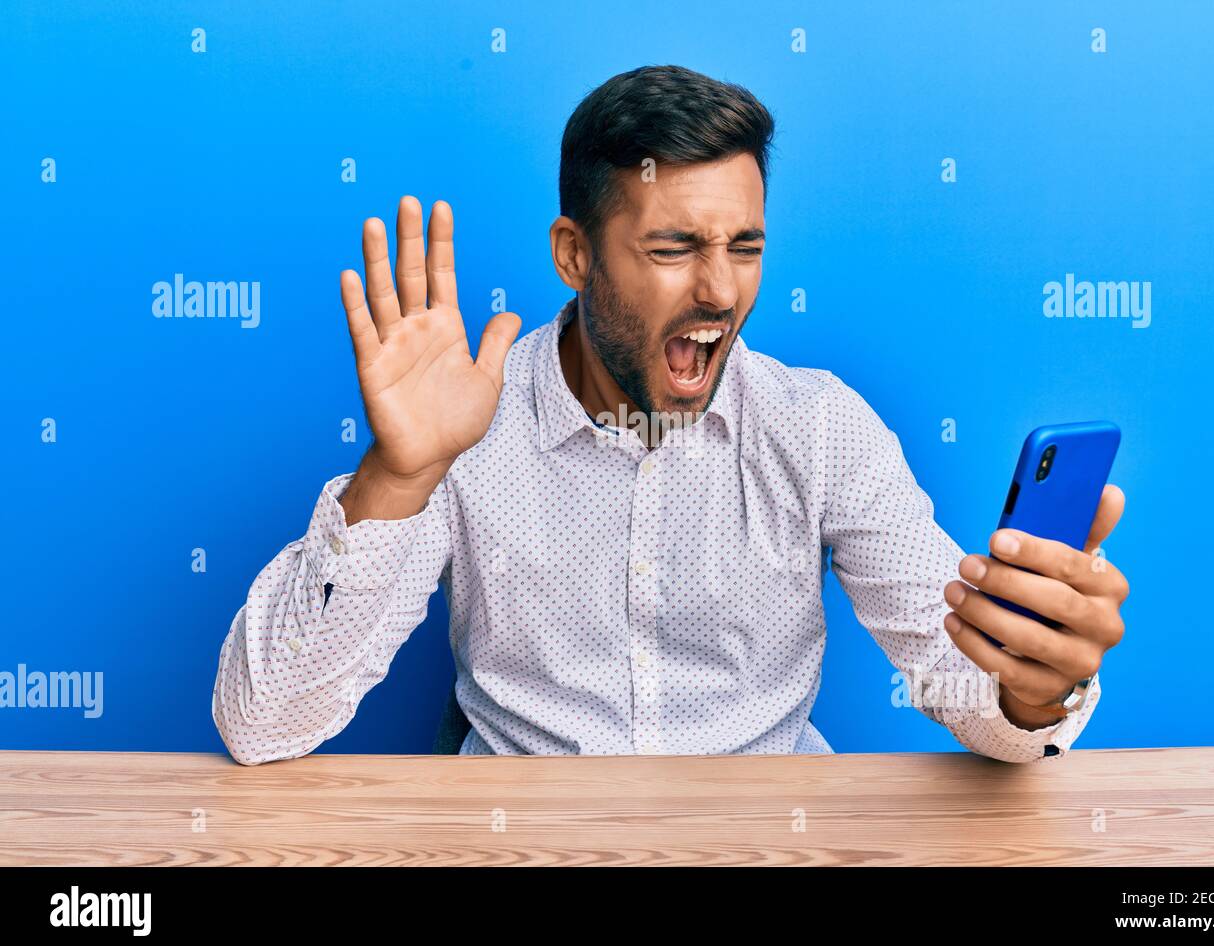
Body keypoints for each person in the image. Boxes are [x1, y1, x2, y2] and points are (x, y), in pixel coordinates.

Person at [212, 64, 1128, 765]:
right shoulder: (470, 430)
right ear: (575, 255)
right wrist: (401, 474)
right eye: (673, 247)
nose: (720, 289)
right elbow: (260, 724)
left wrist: (1031, 691)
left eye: (744, 246)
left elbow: (966, 691)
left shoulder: (818, 427)